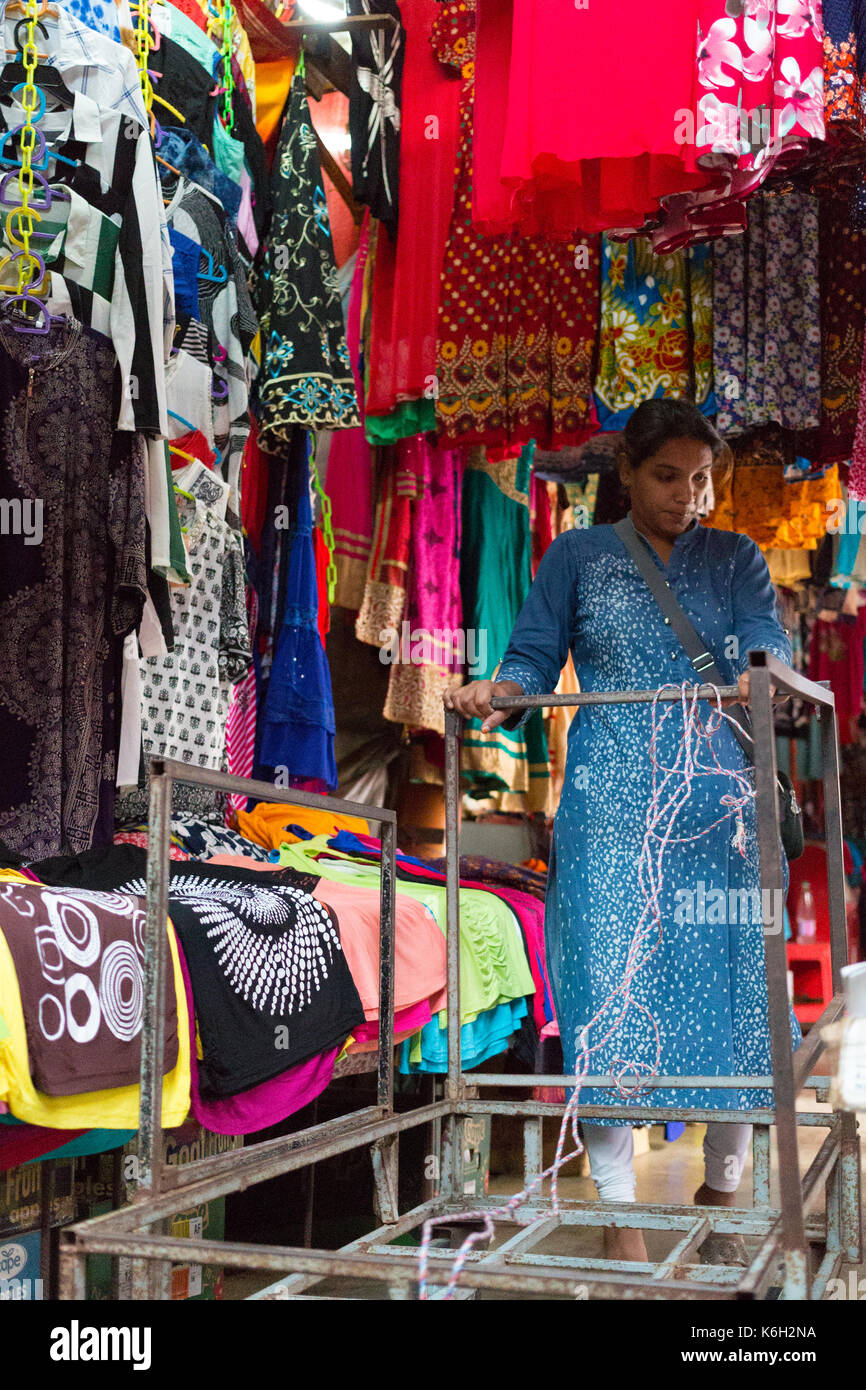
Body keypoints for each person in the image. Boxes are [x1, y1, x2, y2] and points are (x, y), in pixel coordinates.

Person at [445, 398, 800, 1265]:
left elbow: (764, 644)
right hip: (609, 807)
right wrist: (502, 689)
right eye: (668, 477)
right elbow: (532, 657)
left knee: (733, 994)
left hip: (718, 807)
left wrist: (770, 672)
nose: (689, 496)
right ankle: (619, 1209)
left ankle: (724, 1187)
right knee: (610, 997)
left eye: (702, 478)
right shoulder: (576, 555)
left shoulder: (739, 558)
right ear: (628, 476)